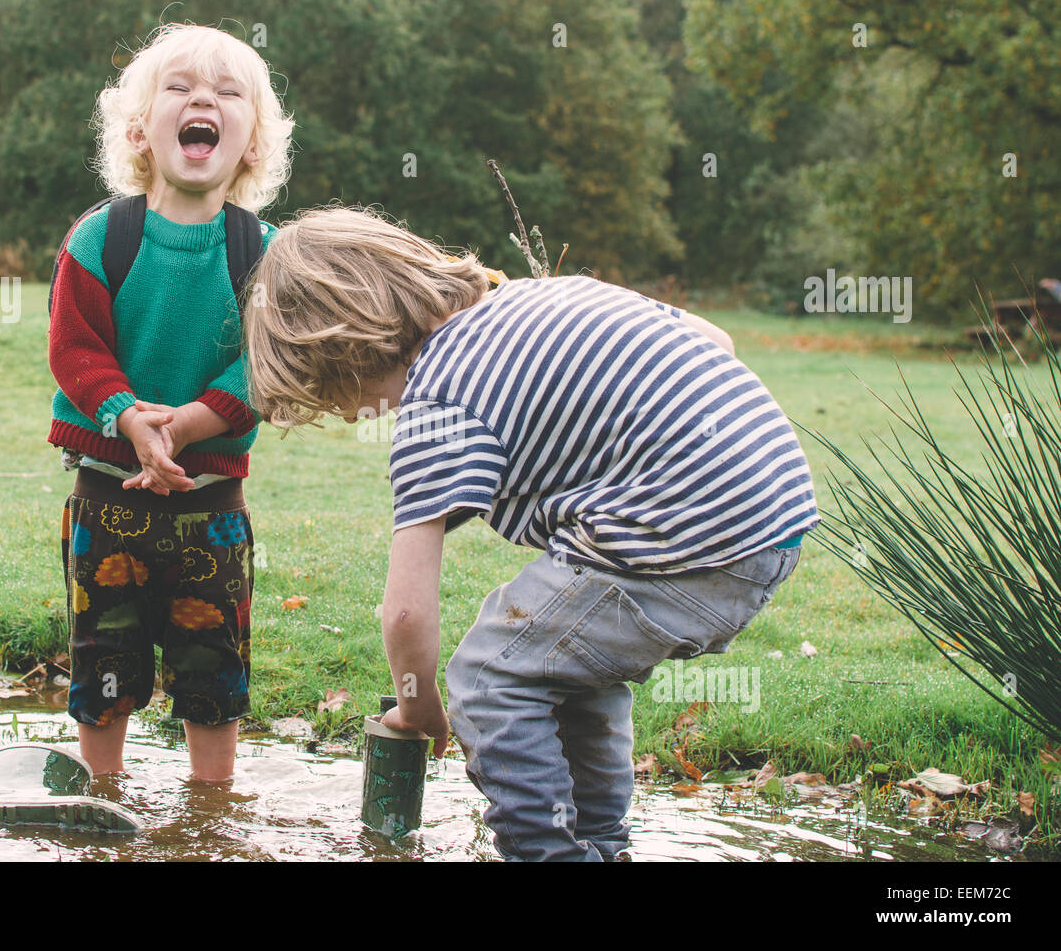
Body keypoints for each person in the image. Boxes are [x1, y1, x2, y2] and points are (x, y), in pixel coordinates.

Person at [242, 206, 818, 859]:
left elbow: (404, 612)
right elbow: (717, 344)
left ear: (339, 361)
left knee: (489, 675)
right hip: (775, 516)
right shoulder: (545, 295)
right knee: (563, 667)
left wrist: (422, 707)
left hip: (691, 540)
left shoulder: (437, 404)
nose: (350, 416)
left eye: (334, 400)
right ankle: (597, 844)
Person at [47, 23, 292, 782]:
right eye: (180, 89)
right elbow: (75, 348)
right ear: (139, 131)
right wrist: (126, 415)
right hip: (106, 498)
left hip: (210, 507)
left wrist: (186, 426)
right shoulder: (101, 238)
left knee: (212, 673)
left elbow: (267, 364)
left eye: (226, 93)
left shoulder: (265, 253)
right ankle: (102, 794)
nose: (202, 101)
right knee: (104, 662)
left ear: (252, 142)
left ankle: (208, 814)